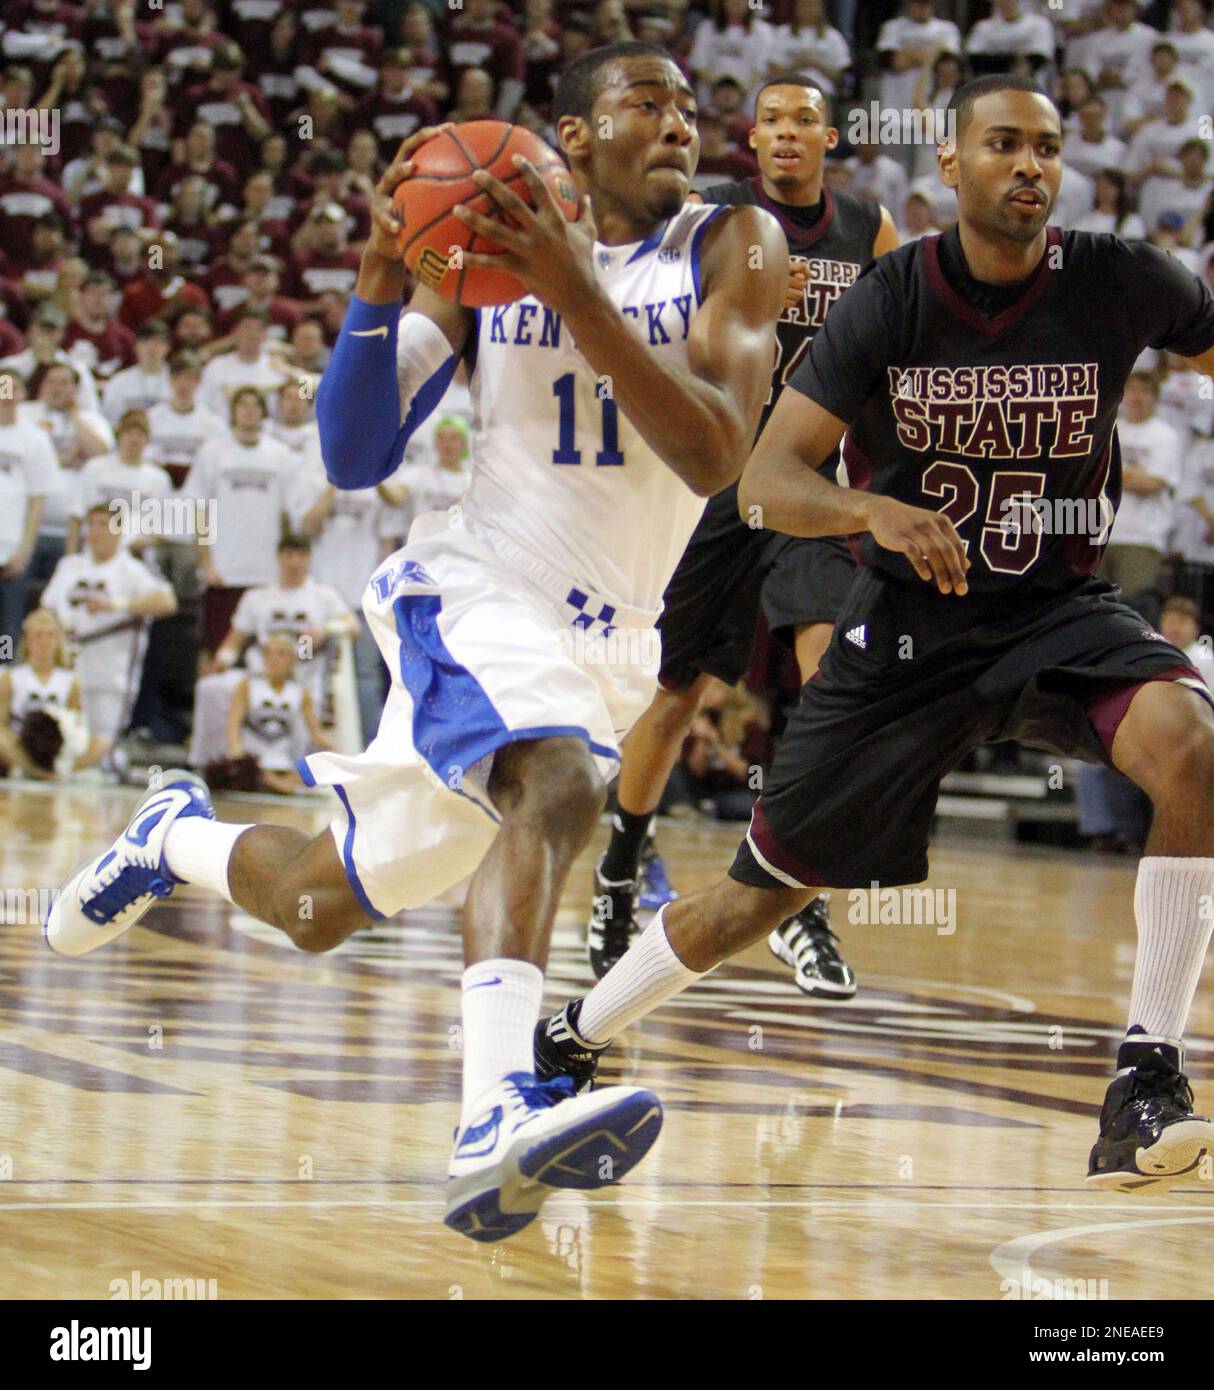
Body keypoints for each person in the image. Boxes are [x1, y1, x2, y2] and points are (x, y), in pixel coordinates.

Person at [44, 42, 788, 1241]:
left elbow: (714, 454)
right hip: (477, 585)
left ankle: (171, 837)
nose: (677, 126)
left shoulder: (731, 245)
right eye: (641, 105)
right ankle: (496, 1111)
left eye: (687, 109)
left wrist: (573, 288)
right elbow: (354, 455)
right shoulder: (488, 262)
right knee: (550, 785)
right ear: (573, 138)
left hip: (607, 637)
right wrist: (381, 276)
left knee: (317, 905)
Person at [535, 76, 1214, 1198]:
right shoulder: (892, 296)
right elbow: (765, 479)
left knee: (1188, 740)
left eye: (1046, 148)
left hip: (1054, 613)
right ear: (948, 167)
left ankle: (1144, 1076)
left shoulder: (1121, 280)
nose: (1029, 166)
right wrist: (868, 510)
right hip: (904, 635)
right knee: (759, 897)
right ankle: (572, 1032)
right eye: (1003, 144)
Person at [588, 74, 898, 996]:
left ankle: (799, 907)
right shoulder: (711, 215)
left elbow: (902, 343)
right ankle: (616, 873)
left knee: (832, 680)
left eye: (806, 119)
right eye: (773, 121)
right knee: (675, 694)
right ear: (752, 140)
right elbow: (644, 314)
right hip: (717, 476)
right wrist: (743, 293)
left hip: (805, 482)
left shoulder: (870, 229)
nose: (789, 133)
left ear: (829, 136)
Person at [42, 503, 177, 750]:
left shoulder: (132, 569)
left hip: (110, 670)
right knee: (60, 737)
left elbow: (166, 602)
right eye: (91, 524)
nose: (95, 531)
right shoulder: (70, 565)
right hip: (67, 666)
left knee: (102, 741)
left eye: (103, 524)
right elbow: (46, 608)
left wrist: (114, 605)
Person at [0, 607, 109, 779]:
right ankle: (30, 769)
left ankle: (61, 770)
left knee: (102, 742)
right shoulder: (11, 677)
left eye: (50, 635)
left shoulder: (70, 680)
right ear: (27, 640)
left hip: (56, 744)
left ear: (58, 641)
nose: (44, 641)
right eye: (38, 635)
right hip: (21, 742)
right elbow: (1, 723)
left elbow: (77, 722)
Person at [224, 631, 334, 795]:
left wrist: (337, 752)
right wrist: (235, 746)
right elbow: (233, 723)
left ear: (291, 659)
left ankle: (283, 784)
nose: (274, 659)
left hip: (284, 758)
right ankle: (274, 783)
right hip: (253, 757)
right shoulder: (247, 686)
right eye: (268, 654)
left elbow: (315, 733)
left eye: (281, 654)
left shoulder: (301, 693)